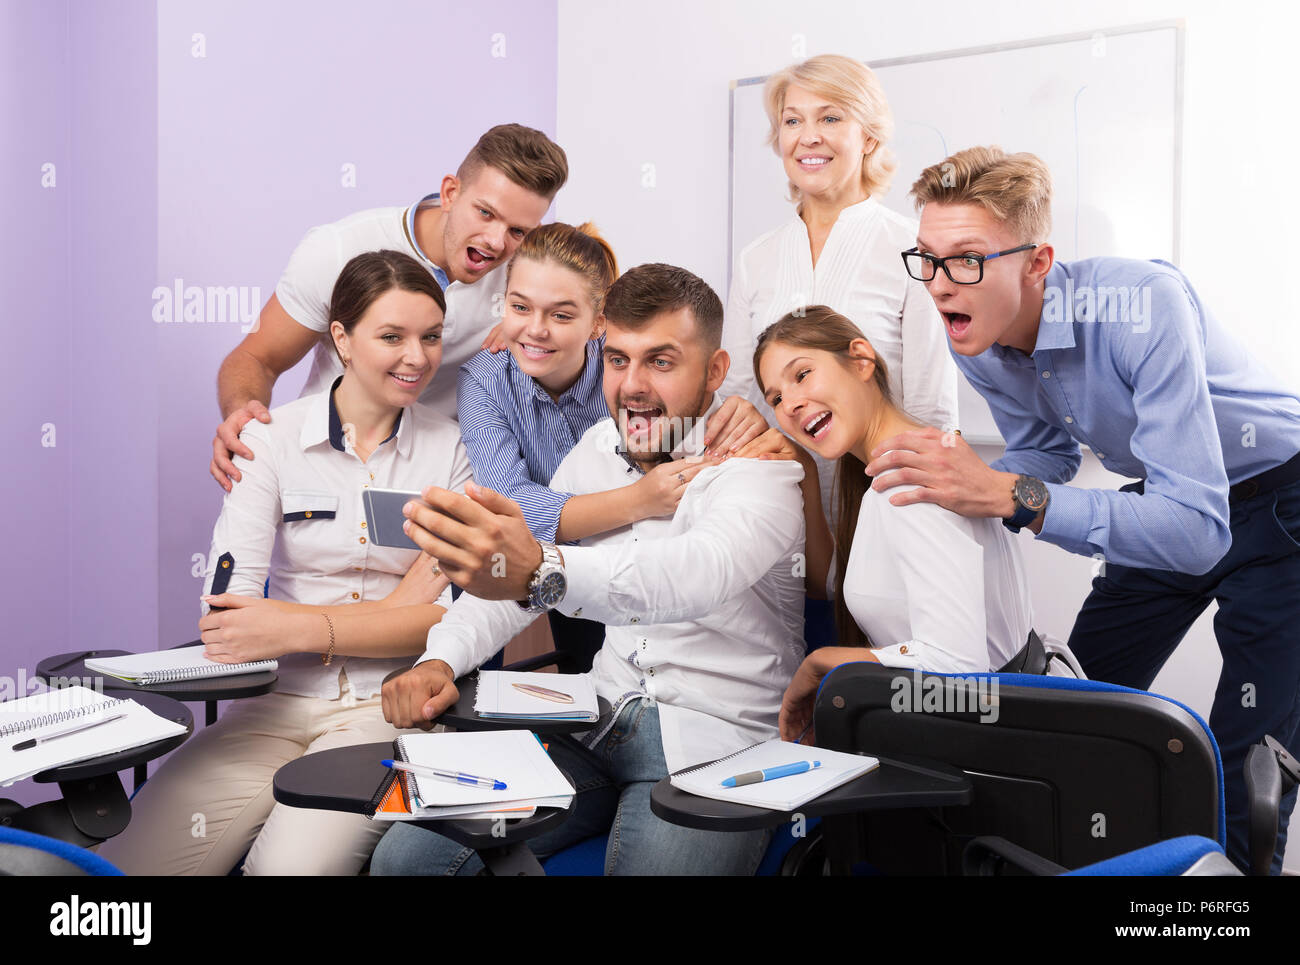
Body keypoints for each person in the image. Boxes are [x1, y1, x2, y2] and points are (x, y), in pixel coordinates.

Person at [869, 145, 1300, 872]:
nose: (940, 285)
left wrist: (1010, 495)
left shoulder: (1143, 306)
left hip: (1281, 504)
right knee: (1069, 716)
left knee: (1239, 759)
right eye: (928, 259)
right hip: (1169, 502)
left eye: (967, 259)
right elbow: (1049, 455)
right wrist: (968, 481)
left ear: (1037, 263)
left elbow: (1197, 532)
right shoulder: (978, 333)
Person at [372, 263, 807, 875]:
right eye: (619, 359)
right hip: (593, 721)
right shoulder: (596, 450)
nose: (632, 385)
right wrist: (440, 658)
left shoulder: (758, 469)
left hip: (716, 737)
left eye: (661, 361)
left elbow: (694, 573)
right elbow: (511, 589)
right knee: (407, 860)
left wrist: (539, 567)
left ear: (713, 370)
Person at [100, 251, 472, 875]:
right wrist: (389, 611)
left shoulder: (453, 450)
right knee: (131, 869)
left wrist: (298, 626)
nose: (417, 357)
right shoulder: (269, 441)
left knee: (287, 871)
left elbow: (446, 619)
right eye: (391, 336)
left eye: (431, 337)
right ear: (342, 340)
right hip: (273, 703)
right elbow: (228, 627)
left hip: (388, 710)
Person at [458, 222, 770, 665]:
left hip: (595, 567)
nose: (536, 330)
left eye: (562, 315)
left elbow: (695, 570)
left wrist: (734, 411)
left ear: (597, 326)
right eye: (519, 307)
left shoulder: (628, 371)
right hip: (561, 558)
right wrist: (639, 499)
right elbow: (508, 509)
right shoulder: (490, 381)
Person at [209, 123, 567, 491]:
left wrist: (535, 331)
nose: (495, 241)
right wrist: (242, 416)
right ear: (450, 193)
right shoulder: (337, 249)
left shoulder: (530, 276)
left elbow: (596, 301)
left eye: (518, 231)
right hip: (325, 472)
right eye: (485, 213)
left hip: (441, 482)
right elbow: (257, 358)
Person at [743, 306, 1039, 744]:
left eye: (801, 375)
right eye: (776, 399)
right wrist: (803, 472)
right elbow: (845, 583)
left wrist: (822, 663)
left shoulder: (911, 483)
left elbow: (955, 671)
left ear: (861, 359)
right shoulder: (899, 467)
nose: (790, 404)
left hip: (991, 752)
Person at [721, 54, 959, 521]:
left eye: (830, 117)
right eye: (793, 120)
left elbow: (931, 405)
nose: (809, 136)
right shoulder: (755, 259)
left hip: (886, 503)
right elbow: (739, 398)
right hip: (776, 513)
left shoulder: (914, 246)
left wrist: (920, 510)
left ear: (869, 136)